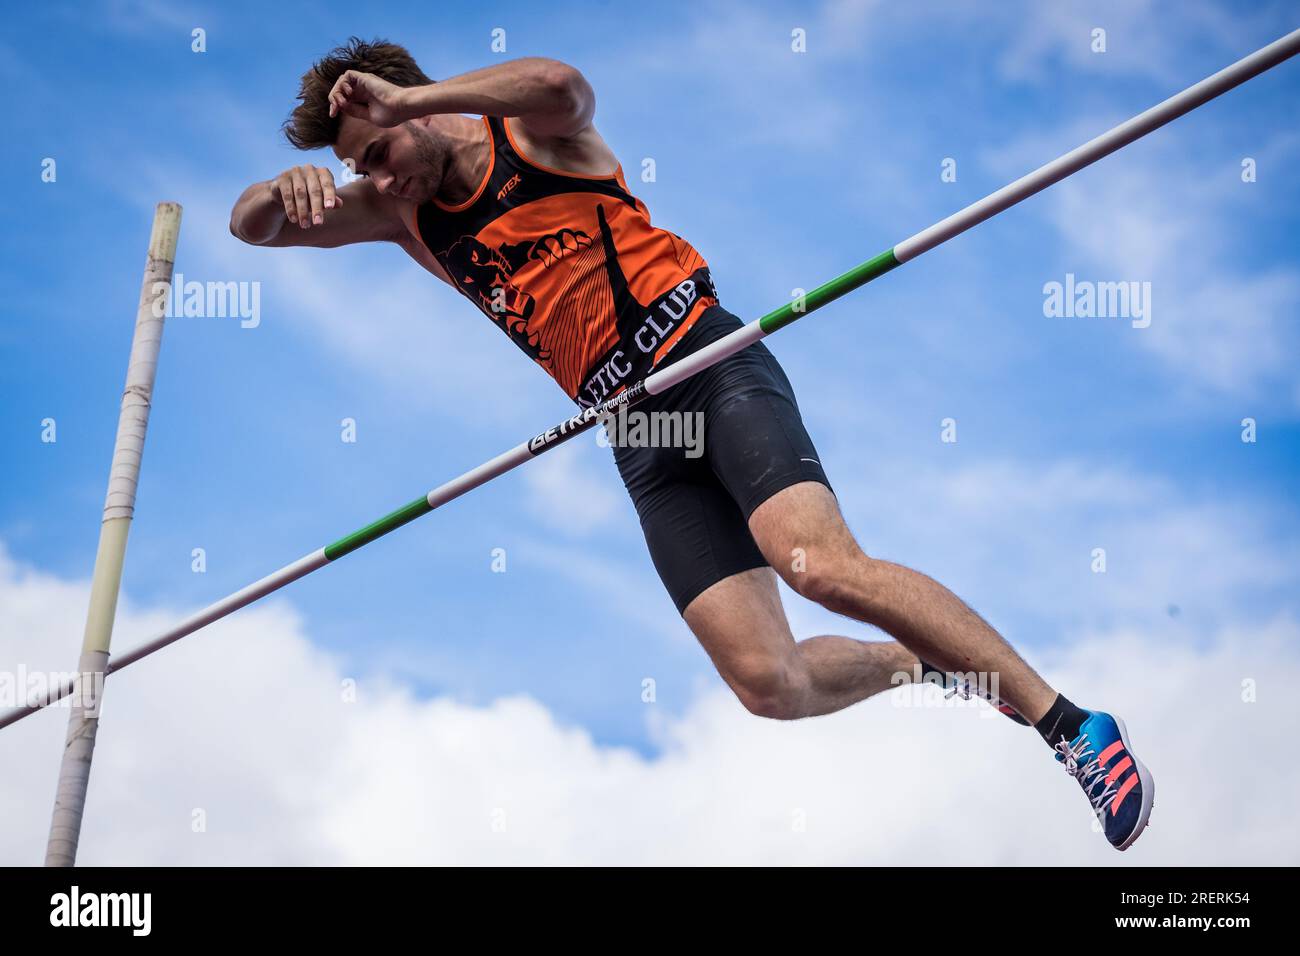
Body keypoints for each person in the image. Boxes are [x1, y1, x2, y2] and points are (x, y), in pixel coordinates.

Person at [230, 38, 1153, 850]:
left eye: (383, 150)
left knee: (819, 568)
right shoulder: (400, 213)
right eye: (361, 167)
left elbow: (560, 80)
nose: (382, 178)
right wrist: (283, 188)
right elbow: (253, 228)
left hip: (707, 363)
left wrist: (412, 104)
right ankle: (925, 662)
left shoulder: (531, 136)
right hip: (637, 429)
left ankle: (1071, 725)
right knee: (770, 683)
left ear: (416, 105)